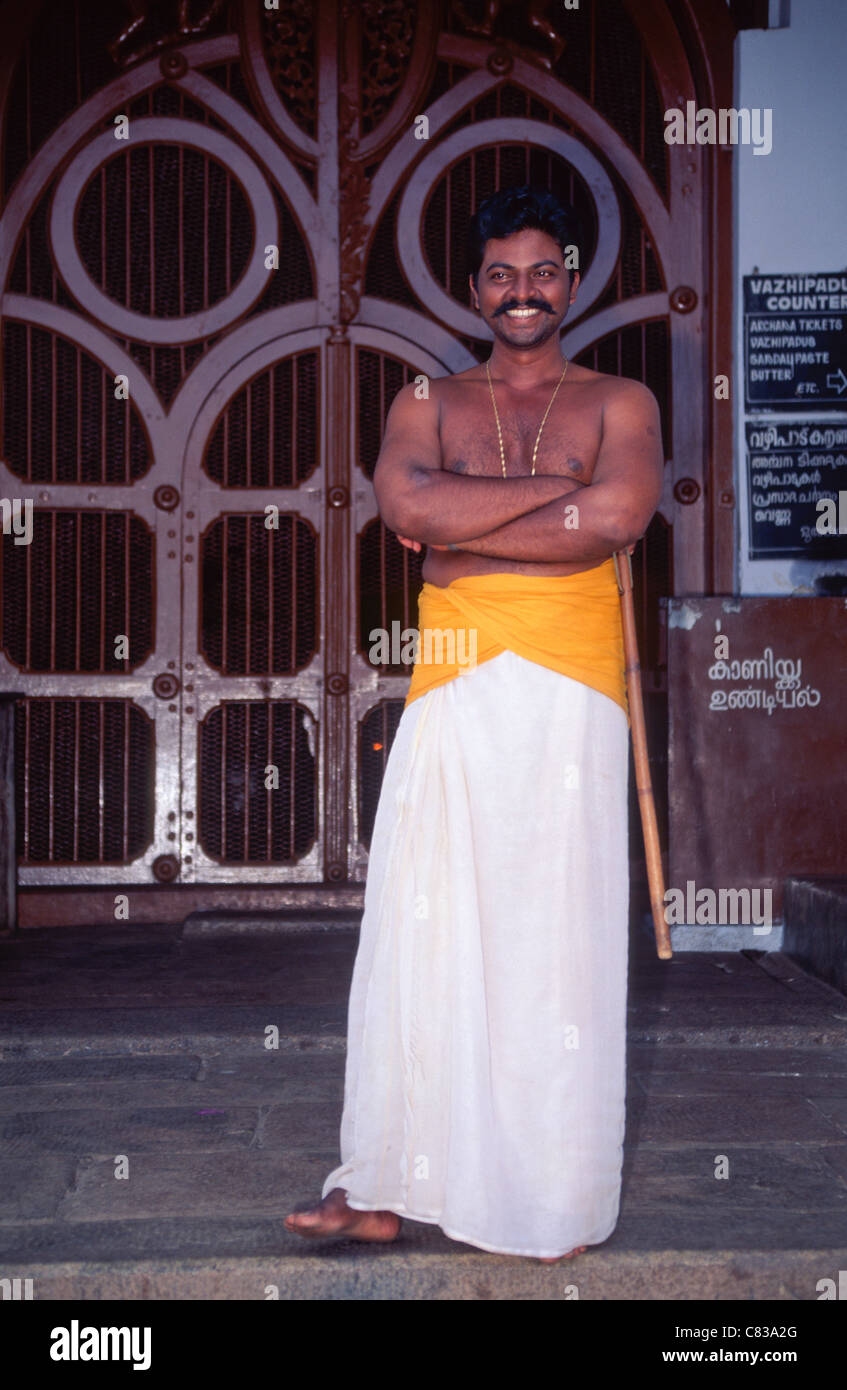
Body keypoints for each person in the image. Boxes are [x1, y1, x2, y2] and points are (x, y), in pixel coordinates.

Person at [285, 185, 663, 1260]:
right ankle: (379, 1180)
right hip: (451, 678)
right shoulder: (427, 398)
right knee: (419, 931)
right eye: (501, 274)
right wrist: (551, 495)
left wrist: (465, 535)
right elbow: (406, 509)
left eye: (542, 271)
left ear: (573, 281)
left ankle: (547, 1202)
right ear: (473, 288)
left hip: (571, 689)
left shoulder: (620, 400)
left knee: (557, 942)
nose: (522, 292)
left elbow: (618, 515)